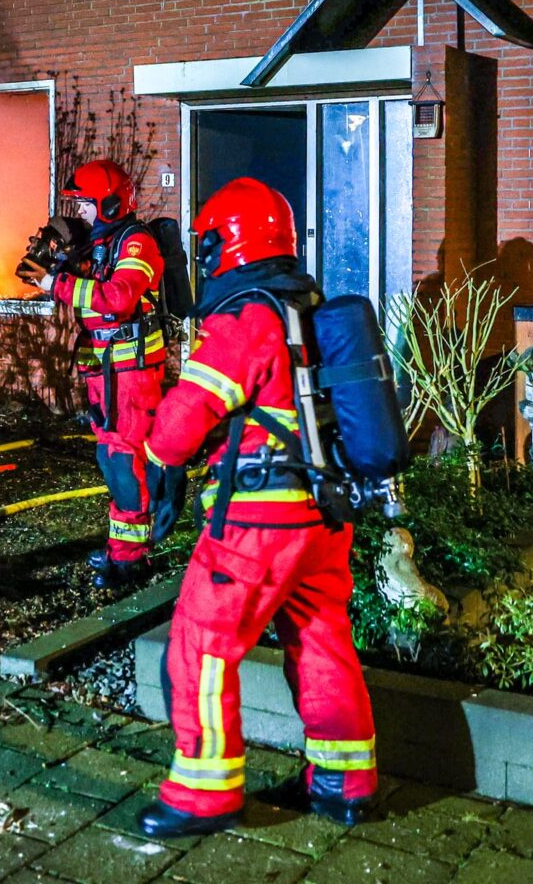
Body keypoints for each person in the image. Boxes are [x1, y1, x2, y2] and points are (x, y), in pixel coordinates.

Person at [133, 177, 377, 839]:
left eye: (207, 247)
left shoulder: (249, 317)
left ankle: (204, 793)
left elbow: (187, 416)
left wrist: (157, 462)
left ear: (224, 243)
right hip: (325, 517)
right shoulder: (310, 306)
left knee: (200, 645)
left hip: (258, 526)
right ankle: (344, 784)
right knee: (323, 642)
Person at [17, 159, 167, 587]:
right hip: (106, 370)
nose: (78, 213)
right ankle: (122, 549)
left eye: (84, 205)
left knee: (124, 459)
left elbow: (118, 298)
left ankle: (132, 561)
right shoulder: (97, 245)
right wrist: (52, 256)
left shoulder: (136, 243)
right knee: (111, 456)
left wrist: (55, 283)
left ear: (111, 204)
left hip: (131, 370)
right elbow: (85, 290)